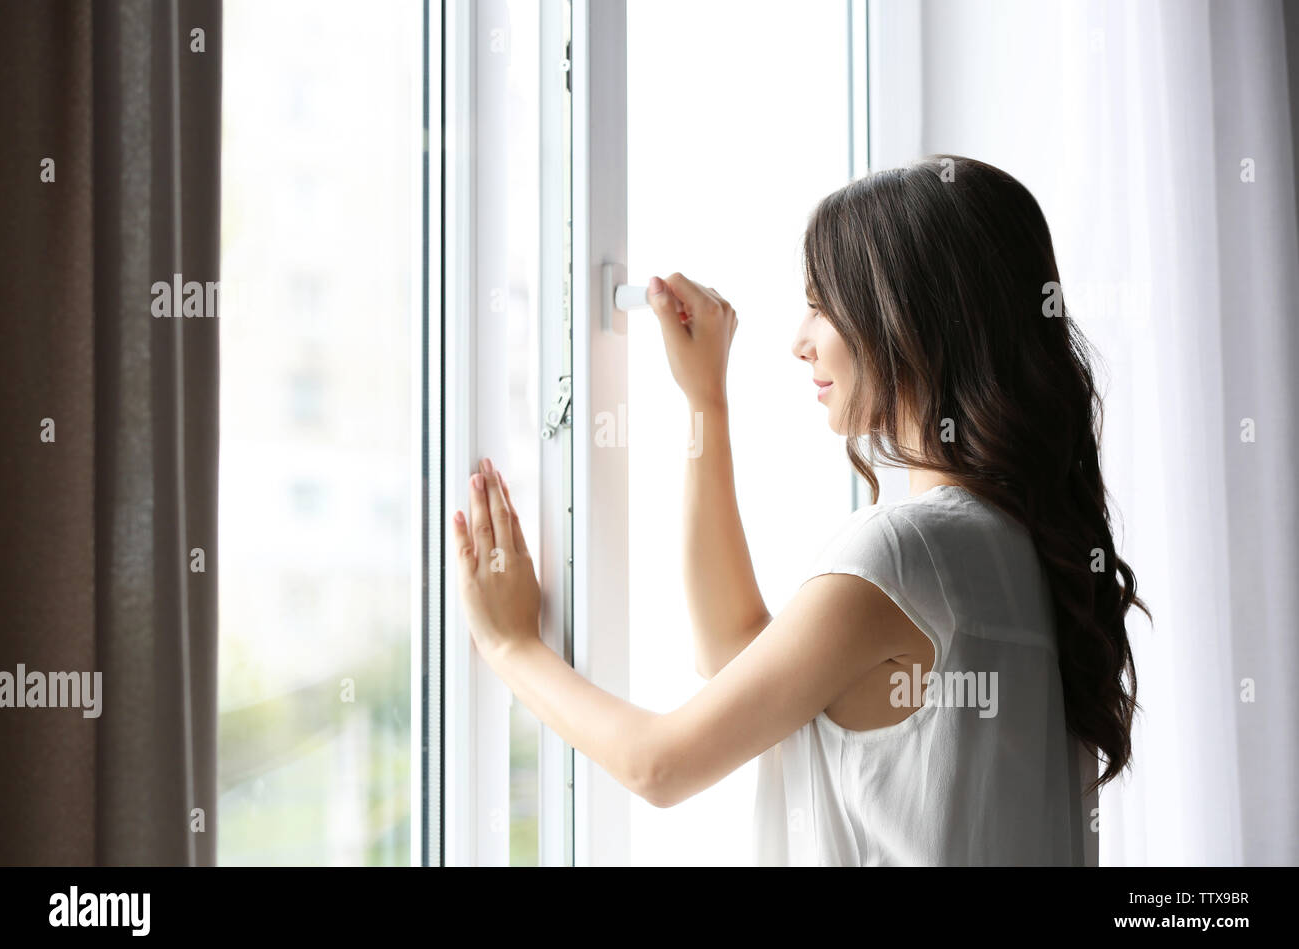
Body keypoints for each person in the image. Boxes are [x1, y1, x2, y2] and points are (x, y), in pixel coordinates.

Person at [452, 154, 1149, 865]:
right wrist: (706, 405)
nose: (799, 340)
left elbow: (658, 766)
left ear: (908, 319)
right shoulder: (1018, 546)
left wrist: (513, 647)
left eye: (822, 305)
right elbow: (736, 653)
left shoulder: (909, 556)